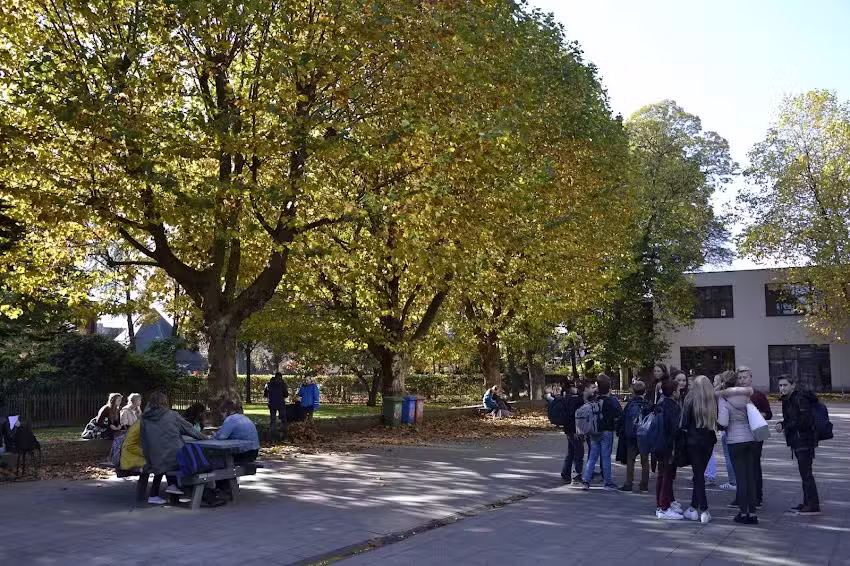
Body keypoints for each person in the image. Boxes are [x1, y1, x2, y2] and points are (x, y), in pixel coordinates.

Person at [140, 392, 206, 505]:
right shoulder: (172, 415)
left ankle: (167, 489)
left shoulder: (144, 419)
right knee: (191, 459)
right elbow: (190, 430)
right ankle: (184, 489)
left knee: (163, 460)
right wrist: (205, 438)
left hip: (154, 456)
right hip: (174, 457)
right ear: (165, 402)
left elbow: (143, 440)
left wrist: (148, 457)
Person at [777, 375, 820, 515]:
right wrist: (783, 424)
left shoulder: (799, 398)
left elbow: (805, 420)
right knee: (804, 473)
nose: (782, 388)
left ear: (793, 385)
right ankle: (807, 502)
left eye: (785, 385)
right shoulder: (787, 400)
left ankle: (813, 505)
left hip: (804, 440)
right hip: (797, 439)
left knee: (806, 473)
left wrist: (786, 426)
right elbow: (791, 418)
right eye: (780, 385)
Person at [717, 381, 759, 524]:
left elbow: (723, 422)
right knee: (750, 478)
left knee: (741, 479)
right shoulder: (746, 397)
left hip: (735, 441)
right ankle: (753, 514)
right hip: (750, 439)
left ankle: (743, 512)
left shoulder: (724, 399)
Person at [680, 376, 717, 523]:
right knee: (699, 474)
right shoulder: (713, 401)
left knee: (698, 474)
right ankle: (693, 507)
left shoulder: (690, 400)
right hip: (708, 440)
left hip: (693, 440)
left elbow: (684, 423)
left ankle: (704, 509)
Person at [735, 366, 771, 508]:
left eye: (745, 377)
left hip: (755, 434)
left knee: (754, 465)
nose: (742, 380)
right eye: (740, 378)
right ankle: (741, 497)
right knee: (740, 467)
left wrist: (755, 414)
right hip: (738, 435)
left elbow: (768, 413)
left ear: (751, 378)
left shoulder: (758, 395)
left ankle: (757, 496)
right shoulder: (734, 394)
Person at [580, 374, 623, 491]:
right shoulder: (611, 401)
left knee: (592, 457)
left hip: (594, 431)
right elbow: (619, 414)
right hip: (607, 431)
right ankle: (607, 482)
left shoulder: (594, 400)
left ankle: (586, 480)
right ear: (609, 388)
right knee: (606, 457)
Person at [655, 379, 683, 520]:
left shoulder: (660, 403)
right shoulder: (673, 406)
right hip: (669, 445)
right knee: (667, 476)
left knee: (662, 475)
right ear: (673, 392)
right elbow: (674, 429)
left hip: (659, 444)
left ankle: (661, 504)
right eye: (678, 390)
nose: (680, 392)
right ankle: (664, 506)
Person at [619, 380, 650, 493]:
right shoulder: (648, 404)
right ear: (645, 392)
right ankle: (644, 485)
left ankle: (628, 483)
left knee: (630, 459)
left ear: (633, 391)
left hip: (631, 435)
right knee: (645, 460)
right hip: (644, 435)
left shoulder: (630, 405)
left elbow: (623, 419)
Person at [560, 380, 585, 485]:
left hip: (568, 429)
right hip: (575, 429)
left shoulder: (565, 399)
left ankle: (566, 472)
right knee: (579, 452)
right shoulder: (577, 401)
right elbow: (576, 417)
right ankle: (577, 474)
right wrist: (578, 430)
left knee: (571, 451)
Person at [716, 371, 738, 492]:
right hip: (744, 432)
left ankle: (733, 481)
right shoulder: (742, 393)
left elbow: (723, 420)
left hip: (729, 430)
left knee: (729, 457)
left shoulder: (722, 395)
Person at [266, 372, 289, 439]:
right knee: (284, 421)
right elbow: (286, 394)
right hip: (280, 403)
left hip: (272, 404)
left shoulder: (269, 384)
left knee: (273, 421)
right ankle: (285, 437)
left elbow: (265, 394)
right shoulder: (282, 384)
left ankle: (272, 439)